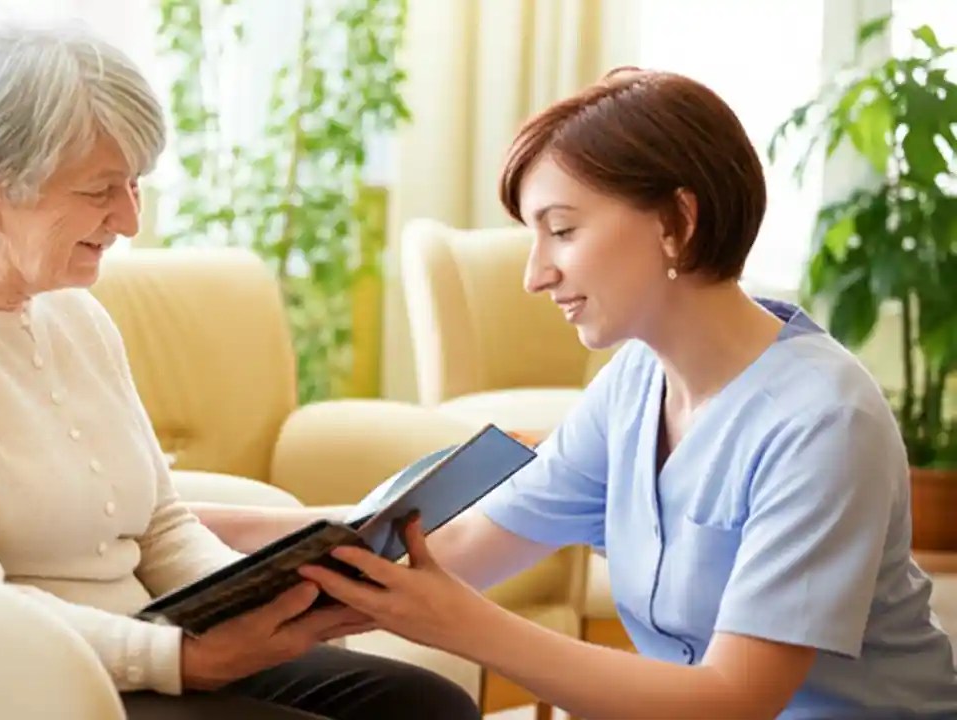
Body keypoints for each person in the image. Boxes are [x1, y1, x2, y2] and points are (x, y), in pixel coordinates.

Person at [0, 23, 480, 720]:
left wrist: (267, 603)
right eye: (99, 190)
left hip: (131, 647)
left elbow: (159, 525)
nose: (130, 219)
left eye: (134, 183)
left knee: (425, 705)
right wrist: (182, 661)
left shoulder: (70, 310)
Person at [198, 68, 957, 718]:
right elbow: (454, 546)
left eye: (561, 230)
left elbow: (735, 701)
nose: (534, 274)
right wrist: (199, 528)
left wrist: (467, 627)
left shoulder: (823, 421)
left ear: (677, 221)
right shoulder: (633, 386)